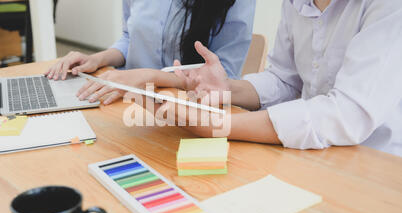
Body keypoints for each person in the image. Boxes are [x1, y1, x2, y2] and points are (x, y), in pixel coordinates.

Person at [164, 0, 402, 157]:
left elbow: (348, 113)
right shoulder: (295, 3)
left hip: (377, 166)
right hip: (311, 154)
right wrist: (227, 89)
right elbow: (285, 79)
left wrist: (216, 125)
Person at [45, 0, 255, 104]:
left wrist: (151, 77)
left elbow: (224, 74)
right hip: (129, 101)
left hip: (189, 108)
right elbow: (129, 37)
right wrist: (96, 58)